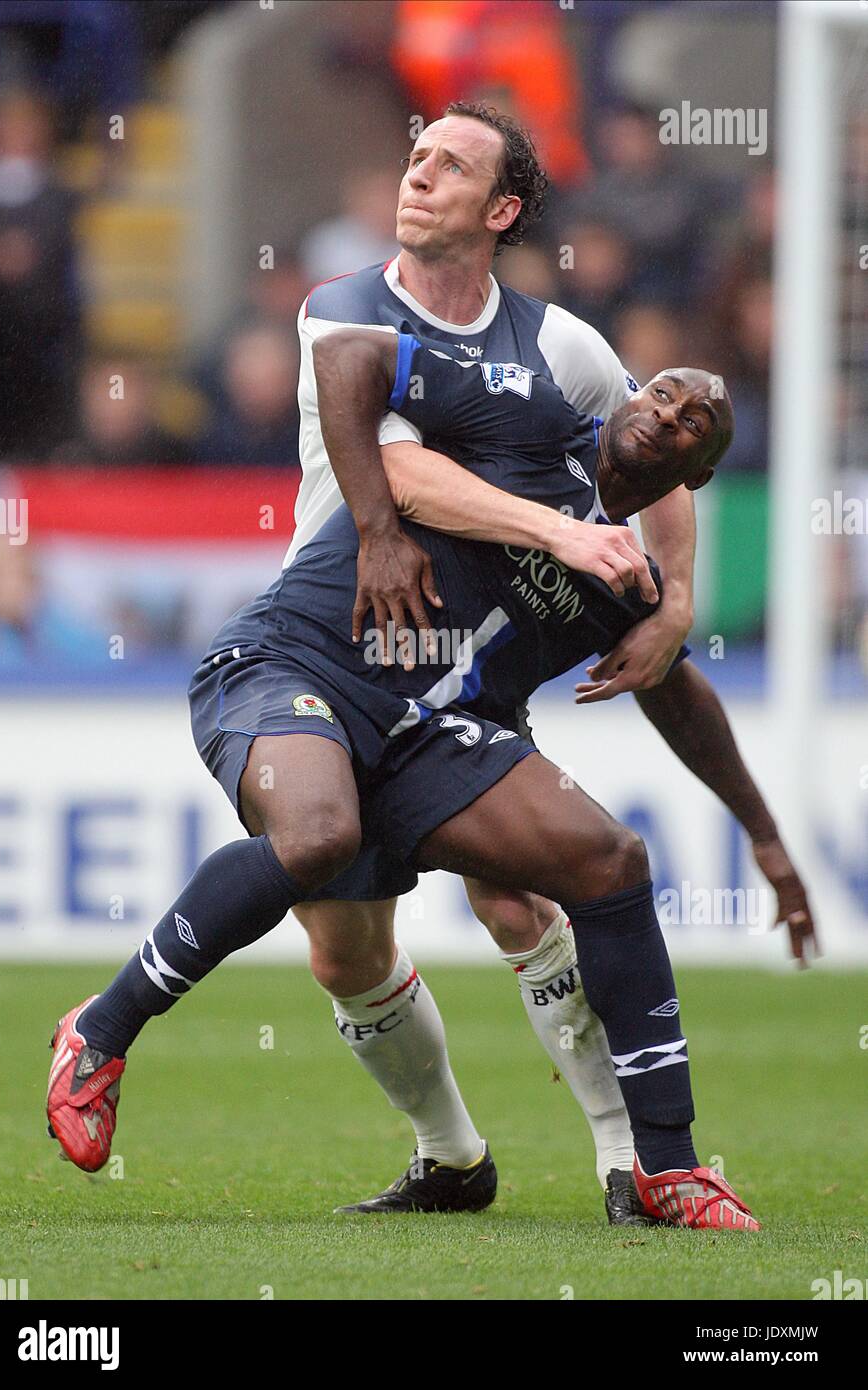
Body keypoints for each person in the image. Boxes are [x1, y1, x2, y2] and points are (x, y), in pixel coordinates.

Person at [46, 333, 816, 1229]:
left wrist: (763, 834)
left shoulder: (623, 577)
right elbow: (344, 360)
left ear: (701, 473)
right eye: (663, 395)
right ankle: (101, 1029)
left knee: (608, 860)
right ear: (626, 394)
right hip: (293, 663)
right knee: (322, 849)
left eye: (696, 425)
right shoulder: (519, 412)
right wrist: (384, 510)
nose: (668, 417)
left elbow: (680, 700)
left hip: (426, 735)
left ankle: (664, 1167)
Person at [274, 99, 699, 1221]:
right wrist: (562, 532)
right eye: (412, 154)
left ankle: (627, 1156)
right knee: (343, 948)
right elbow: (401, 482)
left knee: (521, 899)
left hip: (476, 660)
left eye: (449, 162)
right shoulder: (342, 314)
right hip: (349, 648)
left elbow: (657, 463)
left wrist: (675, 600)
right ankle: (450, 1155)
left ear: (502, 208)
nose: (415, 173)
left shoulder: (562, 343)